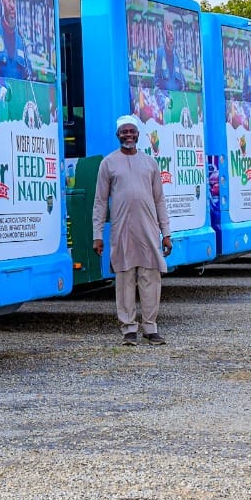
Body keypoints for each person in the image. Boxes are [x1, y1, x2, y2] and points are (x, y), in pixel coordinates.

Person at [92, 115, 172, 345]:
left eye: (132, 131)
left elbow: (159, 201)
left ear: (138, 134)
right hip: (122, 231)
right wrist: (98, 235)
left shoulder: (150, 163)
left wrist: (165, 233)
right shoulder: (108, 163)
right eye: (124, 131)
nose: (128, 135)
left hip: (148, 230)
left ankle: (150, 327)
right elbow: (100, 202)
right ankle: (128, 329)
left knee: (150, 279)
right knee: (125, 280)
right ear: (118, 135)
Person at [154, 16, 185, 91]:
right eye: (168, 28)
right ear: (164, 31)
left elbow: (183, 83)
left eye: (172, 29)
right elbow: (156, 83)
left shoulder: (177, 54)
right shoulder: (159, 53)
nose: (171, 33)